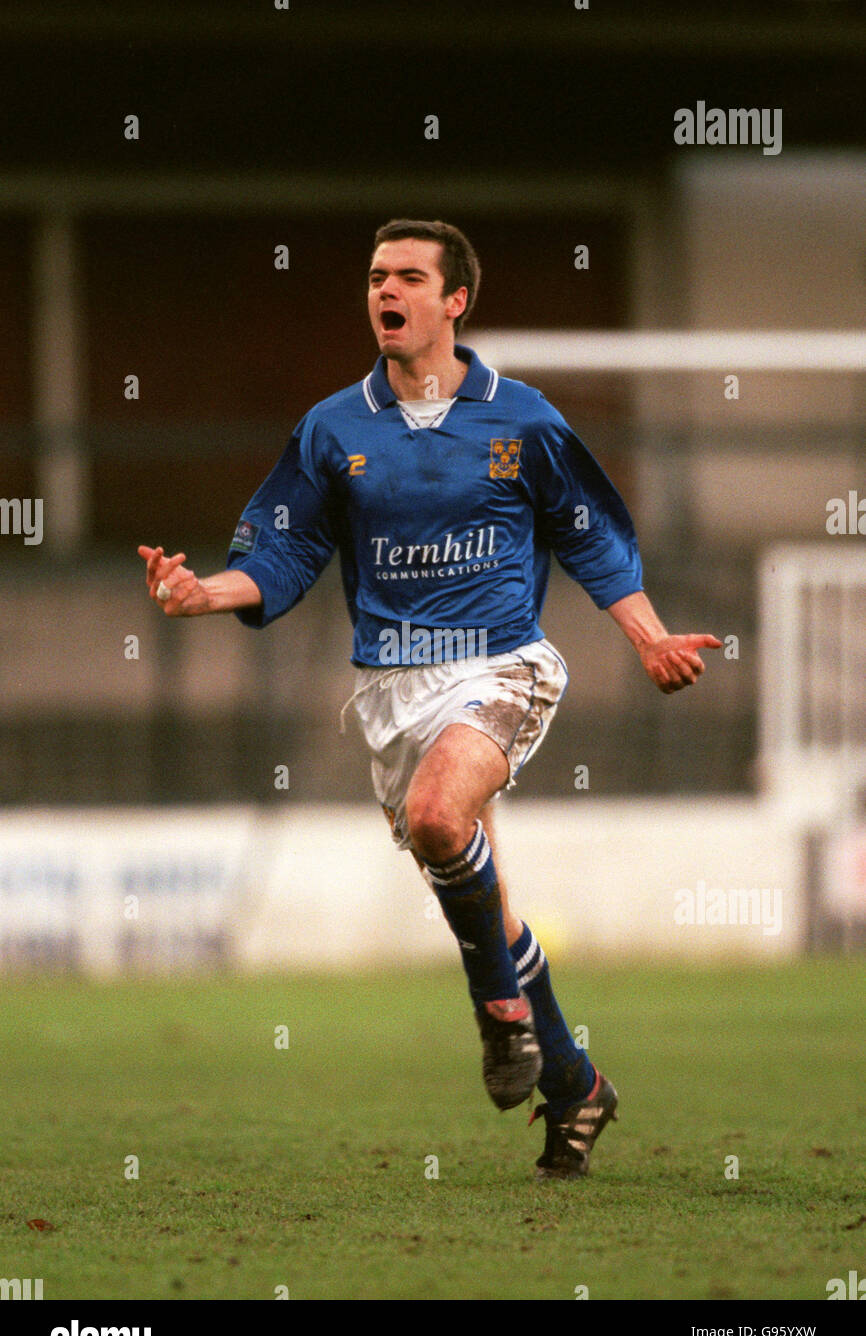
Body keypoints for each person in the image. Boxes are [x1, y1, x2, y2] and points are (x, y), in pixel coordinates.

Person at [139, 218, 720, 1180]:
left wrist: (649, 634)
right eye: (375, 276)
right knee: (469, 873)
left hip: (502, 666)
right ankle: (575, 1086)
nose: (385, 290)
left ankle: (499, 1018)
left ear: (455, 301)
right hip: (391, 690)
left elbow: (591, 535)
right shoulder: (334, 429)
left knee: (439, 816)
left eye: (409, 275)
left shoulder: (522, 419)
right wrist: (206, 593)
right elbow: (282, 553)